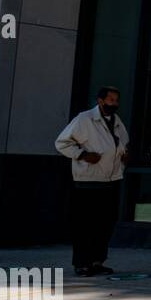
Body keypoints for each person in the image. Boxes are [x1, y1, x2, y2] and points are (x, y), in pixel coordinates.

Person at [55, 86, 129, 276]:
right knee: (84, 224)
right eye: (111, 100)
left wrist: (123, 155)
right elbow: (61, 143)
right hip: (88, 180)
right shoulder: (84, 119)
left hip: (111, 179)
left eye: (116, 100)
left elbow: (123, 142)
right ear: (100, 101)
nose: (115, 104)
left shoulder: (116, 121)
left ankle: (97, 261)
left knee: (104, 224)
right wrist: (83, 154)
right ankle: (81, 263)